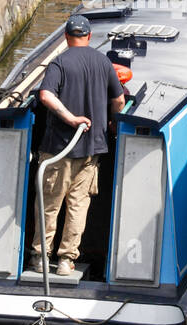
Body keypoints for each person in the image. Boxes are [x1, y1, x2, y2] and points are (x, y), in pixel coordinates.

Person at [29, 14, 126, 277]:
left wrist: (69, 118)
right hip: (90, 152)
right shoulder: (103, 62)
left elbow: (46, 95)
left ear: (66, 37)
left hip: (58, 149)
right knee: (78, 206)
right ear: (89, 37)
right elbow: (118, 100)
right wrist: (111, 123)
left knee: (49, 204)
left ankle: (40, 257)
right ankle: (66, 261)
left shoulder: (59, 62)